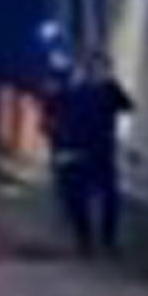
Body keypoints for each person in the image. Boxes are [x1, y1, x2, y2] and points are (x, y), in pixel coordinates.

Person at [45, 48, 134, 257]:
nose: (100, 71)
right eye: (97, 67)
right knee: (80, 200)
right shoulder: (77, 91)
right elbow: (54, 110)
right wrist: (61, 144)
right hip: (80, 152)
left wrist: (111, 83)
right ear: (88, 69)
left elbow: (128, 106)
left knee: (110, 200)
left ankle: (108, 242)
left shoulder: (110, 90)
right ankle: (85, 242)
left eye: (104, 67)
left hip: (104, 152)